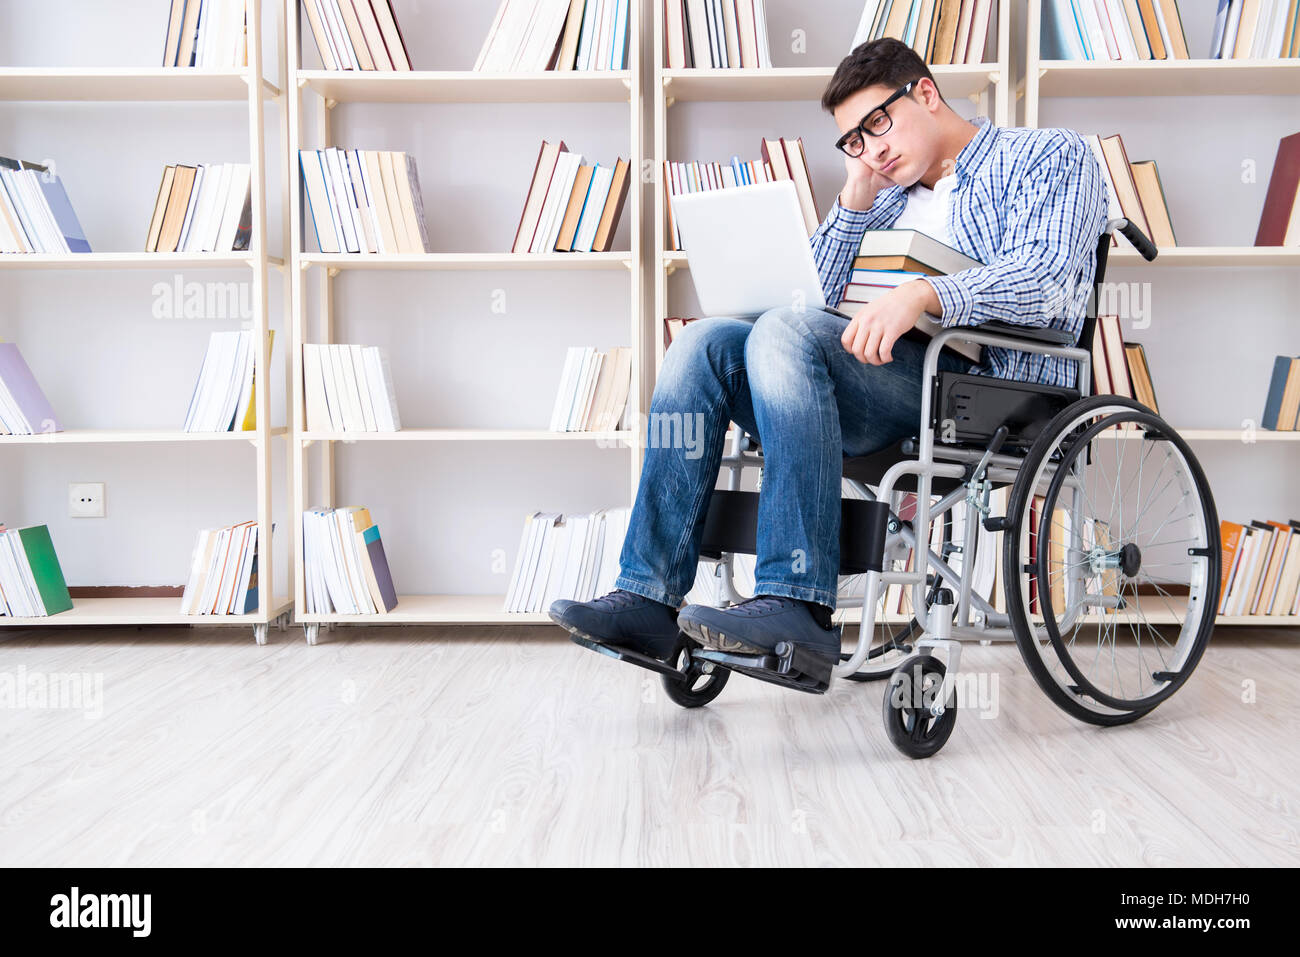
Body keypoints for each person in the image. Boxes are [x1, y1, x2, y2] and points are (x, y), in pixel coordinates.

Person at [549, 36, 1109, 667]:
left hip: (979, 385)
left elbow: (1050, 280)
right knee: (704, 341)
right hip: (861, 375)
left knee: (786, 333)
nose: (874, 149)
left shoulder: (1045, 156)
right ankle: (648, 600)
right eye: (855, 140)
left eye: (879, 124)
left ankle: (799, 604)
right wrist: (855, 197)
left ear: (925, 93)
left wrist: (924, 295)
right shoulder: (883, 193)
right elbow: (802, 296)